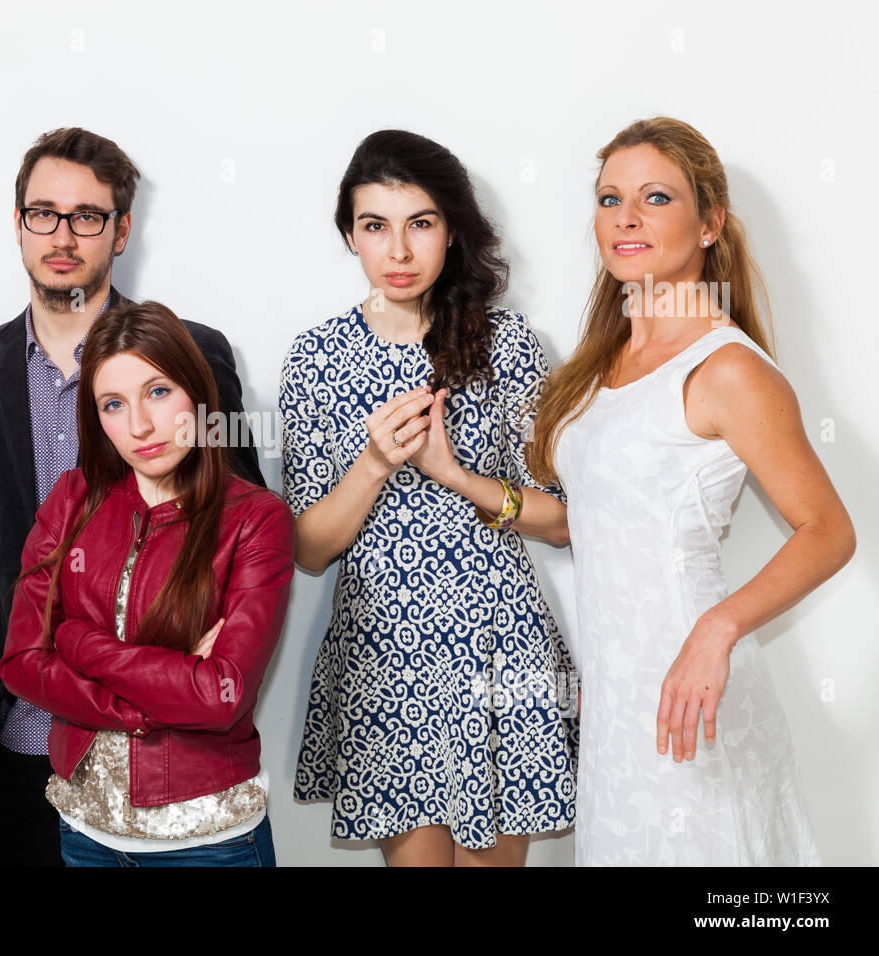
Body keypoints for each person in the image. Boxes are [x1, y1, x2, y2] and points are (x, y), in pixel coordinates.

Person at [0, 127, 267, 866]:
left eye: (88, 216)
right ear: (18, 223)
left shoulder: (194, 353)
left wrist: (214, 662)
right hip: (23, 736)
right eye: (43, 212)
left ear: (121, 231)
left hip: (170, 745)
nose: (63, 235)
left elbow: (243, 520)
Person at [527, 117, 855, 865]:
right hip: (618, 703)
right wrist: (458, 478)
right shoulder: (601, 363)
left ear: (711, 223)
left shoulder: (729, 371)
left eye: (655, 198)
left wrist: (717, 629)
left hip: (695, 693)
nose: (627, 219)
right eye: (610, 200)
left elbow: (829, 530)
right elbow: (597, 521)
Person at [281, 130, 578, 867]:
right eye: (375, 226)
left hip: (496, 643)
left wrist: (456, 475)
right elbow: (309, 550)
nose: (400, 250)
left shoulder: (507, 345)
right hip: (385, 653)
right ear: (350, 234)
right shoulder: (317, 357)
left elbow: (563, 520)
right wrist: (376, 462)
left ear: (451, 229)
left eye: (420, 223)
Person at [0, 300, 293, 866]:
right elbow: (20, 662)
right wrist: (156, 697)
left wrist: (79, 642)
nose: (139, 426)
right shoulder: (73, 499)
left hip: (209, 843)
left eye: (158, 392)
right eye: (114, 404)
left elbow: (219, 699)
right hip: (85, 835)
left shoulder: (256, 519)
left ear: (197, 393)